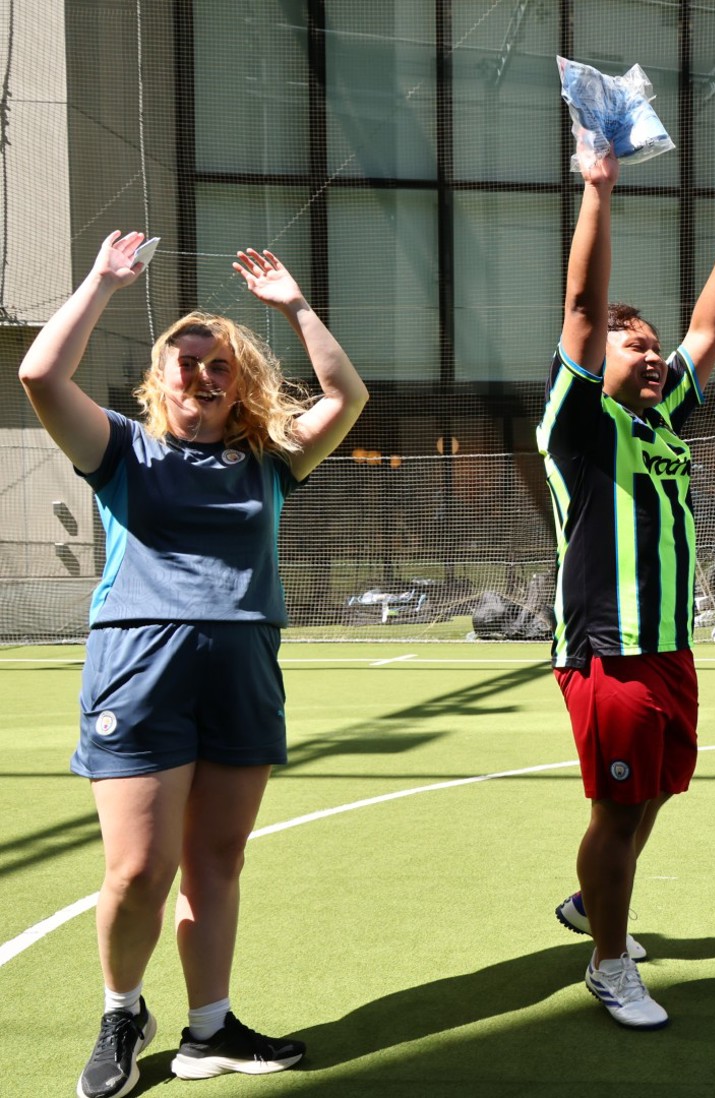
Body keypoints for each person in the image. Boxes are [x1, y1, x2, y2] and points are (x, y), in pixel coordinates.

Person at [20, 234, 368, 1097]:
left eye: (218, 364)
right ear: (159, 376)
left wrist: (293, 306)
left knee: (218, 860)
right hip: (139, 667)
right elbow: (37, 376)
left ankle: (209, 1029)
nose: (201, 376)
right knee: (139, 869)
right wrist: (101, 281)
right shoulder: (121, 452)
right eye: (185, 363)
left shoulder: (269, 463)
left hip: (243, 665)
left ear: (238, 378)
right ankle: (121, 1009)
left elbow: (346, 395)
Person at [543, 148, 715, 1028]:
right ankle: (608, 961)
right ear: (601, 357)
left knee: (653, 795)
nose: (657, 355)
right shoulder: (581, 422)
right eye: (638, 345)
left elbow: (707, 332)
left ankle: (598, 899)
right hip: (609, 651)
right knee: (621, 808)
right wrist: (598, 191)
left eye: (655, 346)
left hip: (669, 646)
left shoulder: (661, 417)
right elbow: (586, 308)